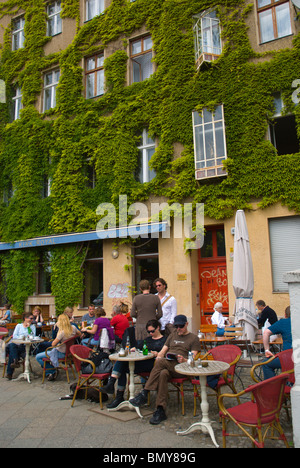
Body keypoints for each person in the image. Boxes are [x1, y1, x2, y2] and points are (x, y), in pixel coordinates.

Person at [129, 314, 202, 425]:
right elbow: (163, 351)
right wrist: (159, 355)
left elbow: (192, 360)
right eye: (176, 326)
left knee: (161, 362)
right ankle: (160, 410)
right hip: (168, 364)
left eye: (181, 326)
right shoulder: (172, 335)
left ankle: (145, 392)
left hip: (182, 368)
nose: (178, 329)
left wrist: (184, 359)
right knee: (163, 373)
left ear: (187, 324)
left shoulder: (193, 338)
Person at [100, 319, 167, 408]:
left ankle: (112, 386)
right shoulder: (147, 339)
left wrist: (158, 354)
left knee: (122, 366)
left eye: (152, 331)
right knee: (122, 363)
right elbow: (138, 348)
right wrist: (133, 349)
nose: (151, 333)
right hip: (142, 362)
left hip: (153, 365)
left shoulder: (165, 340)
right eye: (149, 332)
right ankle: (118, 395)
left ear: (158, 328)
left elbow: (166, 355)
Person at [36, 314, 81, 381]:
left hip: (61, 352)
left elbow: (53, 344)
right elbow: (79, 334)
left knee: (38, 356)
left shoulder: (62, 332)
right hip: (68, 352)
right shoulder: (73, 328)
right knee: (44, 348)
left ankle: (51, 370)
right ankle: (50, 372)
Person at [262, 306, 292, 380]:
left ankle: (274, 386)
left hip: (288, 358)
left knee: (266, 364)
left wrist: (267, 350)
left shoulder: (283, 322)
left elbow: (266, 333)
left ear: (285, 315)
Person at [6, 312, 36, 380]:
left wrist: (28, 328)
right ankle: (15, 360)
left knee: (12, 352)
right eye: (30, 318)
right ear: (25, 318)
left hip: (26, 347)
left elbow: (32, 336)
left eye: (32, 319)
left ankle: (11, 369)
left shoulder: (32, 327)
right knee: (12, 345)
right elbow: (14, 336)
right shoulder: (19, 326)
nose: (32, 320)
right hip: (17, 344)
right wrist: (21, 337)